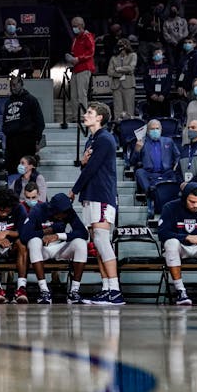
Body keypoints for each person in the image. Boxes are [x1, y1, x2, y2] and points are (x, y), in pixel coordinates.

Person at [69, 103, 124, 305]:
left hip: (101, 195)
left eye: (90, 113)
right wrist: (83, 164)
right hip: (91, 194)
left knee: (102, 241)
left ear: (100, 117)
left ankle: (115, 291)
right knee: (98, 244)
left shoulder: (105, 139)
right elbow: (87, 167)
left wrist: (73, 190)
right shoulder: (91, 140)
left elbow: (91, 169)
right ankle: (106, 288)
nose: (85, 115)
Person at [21, 193, 89, 304]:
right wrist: (47, 231)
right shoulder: (38, 210)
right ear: (54, 210)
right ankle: (44, 291)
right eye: (62, 213)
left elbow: (84, 233)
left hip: (60, 248)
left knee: (81, 243)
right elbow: (24, 236)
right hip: (42, 249)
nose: (64, 216)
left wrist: (58, 235)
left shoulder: (68, 212)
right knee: (33, 241)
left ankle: (74, 291)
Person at [131, 119, 180, 216]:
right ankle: (150, 193)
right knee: (139, 172)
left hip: (167, 172)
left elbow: (178, 156)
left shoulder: (168, 141)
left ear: (161, 129)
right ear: (148, 131)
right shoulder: (142, 142)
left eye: (157, 128)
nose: (155, 131)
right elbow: (132, 162)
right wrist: (137, 150)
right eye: (152, 129)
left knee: (176, 174)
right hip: (149, 173)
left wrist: (177, 164)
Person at [1, 72, 44, 175]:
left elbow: (40, 122)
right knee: (11, 171)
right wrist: (6, 131)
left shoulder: (31, 100)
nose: (13, 87)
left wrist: (37, 140)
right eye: (11, 85)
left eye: (15, 85)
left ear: (21, 84)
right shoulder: (8, 102)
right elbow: (4, 122)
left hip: (26, 142)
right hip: (11, 143)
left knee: (27, 172)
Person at [67, 17, 95, 111]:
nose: (73, 28)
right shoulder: (76, 39)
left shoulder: (87, 36)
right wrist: (71, 58)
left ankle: (83, 116)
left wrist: (78, 59)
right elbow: (74, 52)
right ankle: (75, 116)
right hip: (75, 68)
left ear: (81, 25)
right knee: (73, 94)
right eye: (72, 26)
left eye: (75, 26)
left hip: (84, 68)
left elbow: (91, 52)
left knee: (81, 93)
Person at [107, 38, 138, 120]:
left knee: (129, 108)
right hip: (116, 86)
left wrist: (118, 69)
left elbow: (131, 67)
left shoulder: (133, 55)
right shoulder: (113, 58)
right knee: (117, 109)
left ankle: (129, 125)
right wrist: (122, 73)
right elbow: (109, 72)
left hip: (128, 85)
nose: (119, 46)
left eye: (121, 44)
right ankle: (117, 126)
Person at [142, 46, 173, 119]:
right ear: (152, 56)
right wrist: (151, 94)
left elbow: (169, 82)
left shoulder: (168, 68)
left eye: (159, 53)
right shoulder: (148, 68)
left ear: (163, 56)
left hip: (164, 98)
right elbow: (146, 83)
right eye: (155, 54)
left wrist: (163, 94)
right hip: (152, 98)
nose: (157, 55)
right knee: (153, 118)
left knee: (165, 118)